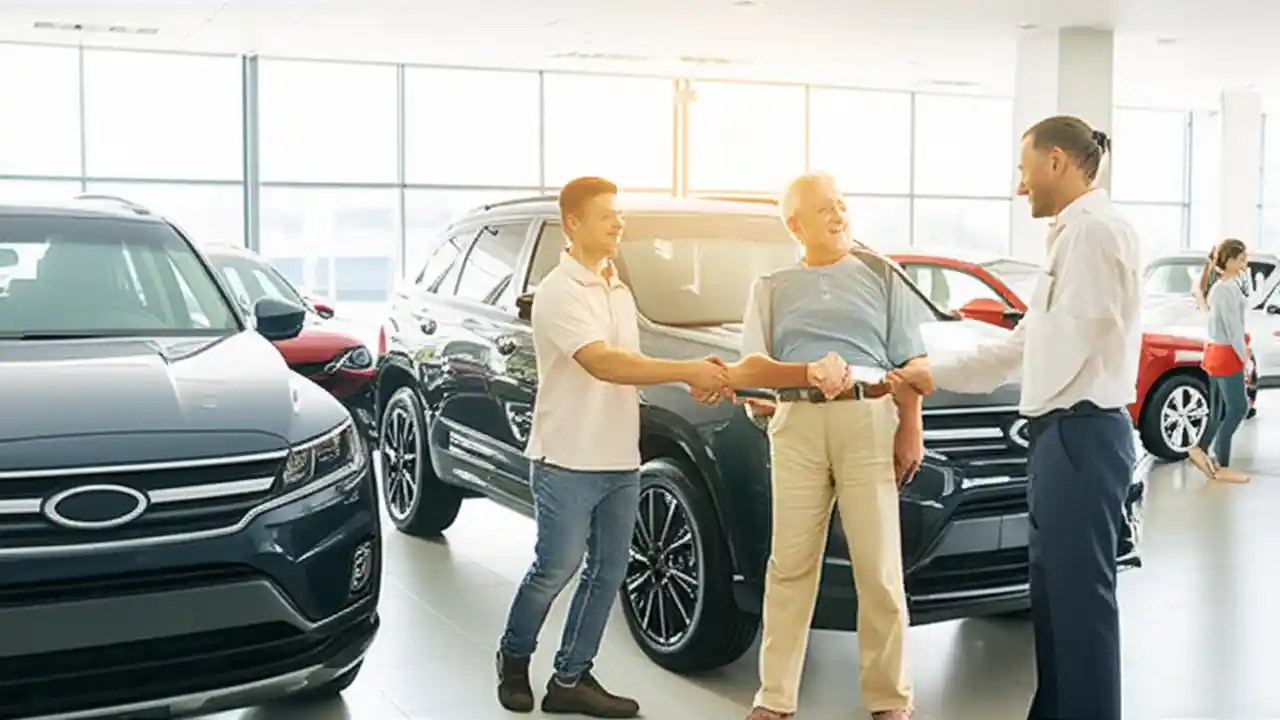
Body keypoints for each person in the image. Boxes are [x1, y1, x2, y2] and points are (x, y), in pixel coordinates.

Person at [893, 116, 1142, 720]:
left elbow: (1069, 341)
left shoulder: (1096, 233)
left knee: (1079, 604)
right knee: (1054, 600)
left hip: (1081, 432)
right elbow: (1027, 343)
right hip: (1061, 436)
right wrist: (936, 373)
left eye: (1024, 169)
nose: (1019, 185)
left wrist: (1030, 399)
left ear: (1056, 161)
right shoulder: (1071, 237)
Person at [495, 176, 731, 718]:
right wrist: (687, 369)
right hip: (567, 459)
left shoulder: (617, 288)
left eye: (619, 215)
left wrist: (691, 380)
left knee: (609, 570)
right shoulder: (559, 292)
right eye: (607, 216)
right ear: (574, 223)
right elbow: (602, 363)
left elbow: (631, 367)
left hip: (620, 457)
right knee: (556, 568)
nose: (618, 223)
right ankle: (513, 658)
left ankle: (571, 680)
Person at [724, 171, 930, 720]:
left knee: (879, 567)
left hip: (868, 421)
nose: (838, 215)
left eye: (840, 205)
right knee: (789, 564)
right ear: (795, 225)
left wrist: (911, 424)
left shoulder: (881, 275)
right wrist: (805, 371)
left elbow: (910, 362)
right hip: (796, 424)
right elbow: (752, 365)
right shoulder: (770, 286)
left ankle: (890, 701)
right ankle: (775, 698)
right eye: (822, 210)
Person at [1188, 238, 1252, 484]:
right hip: (1226, 354)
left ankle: (1201, 450)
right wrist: (1243, 356)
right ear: (1232, 260)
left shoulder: (1223, 286)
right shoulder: (1226, 289)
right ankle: (1220, 461)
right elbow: (1233, 327)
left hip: (1216, 352)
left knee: (1220, 410)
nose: (1245, 262)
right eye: (1242, 258)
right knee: (1238, 408)